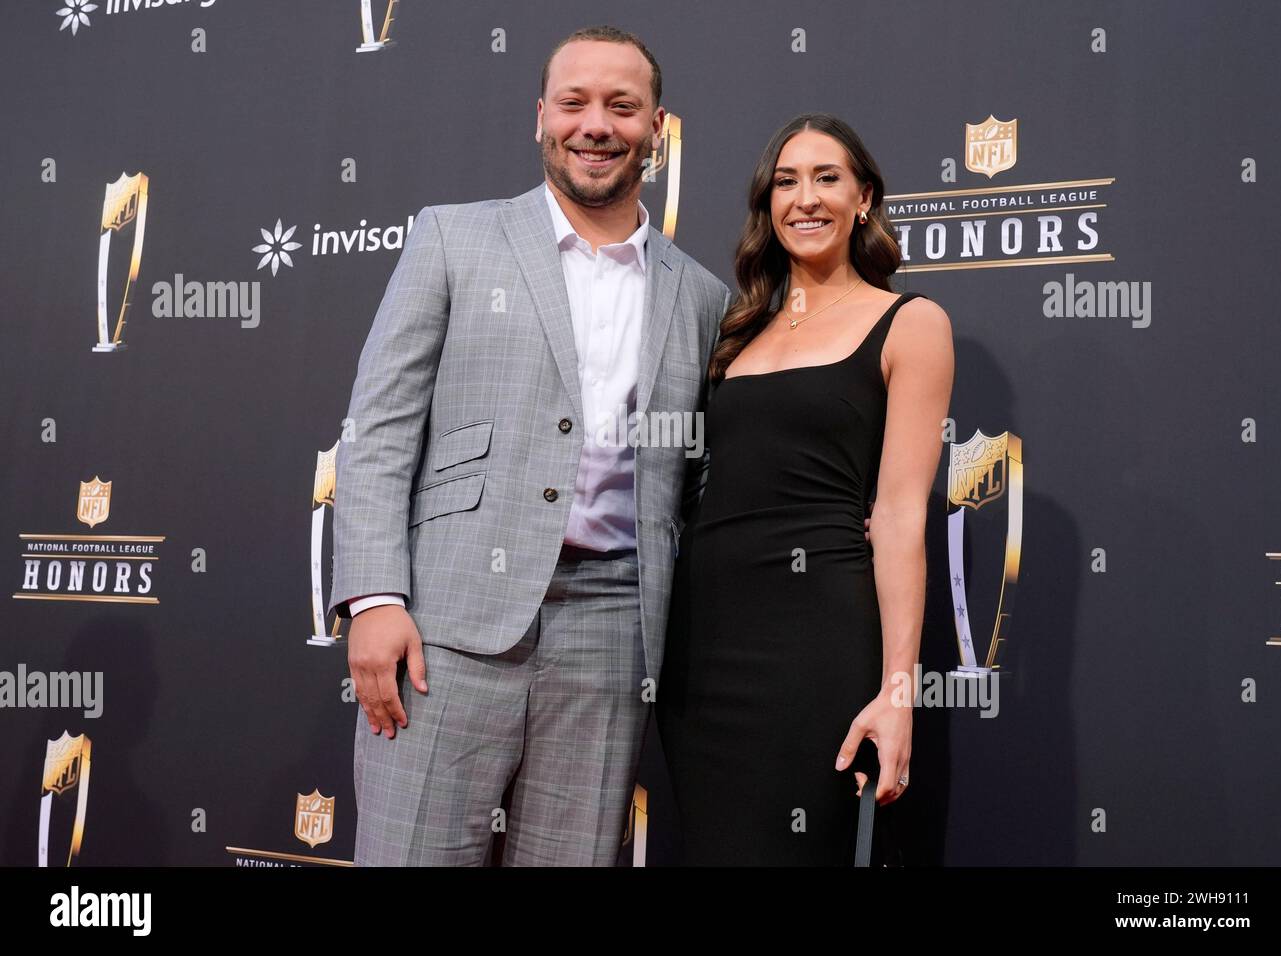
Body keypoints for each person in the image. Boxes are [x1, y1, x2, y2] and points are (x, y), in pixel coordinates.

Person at [328, 26, 731, 866]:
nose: (597, 124)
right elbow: (378, 429)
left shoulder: (699, 296)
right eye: (575, 101)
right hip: (444, 626)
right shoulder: (453, 238)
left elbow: (700, 480)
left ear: (658, 127)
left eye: (623, 106)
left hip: (613, 637)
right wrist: (372, 599)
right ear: (539, 115)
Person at [656, 113, 955, 865]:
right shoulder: (735, 328)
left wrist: (897, 691)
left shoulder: (911, 324)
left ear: (865, 199)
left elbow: (897, 517)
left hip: (815, 642)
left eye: (827, 178)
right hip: (703, 644)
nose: (806, 198)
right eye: (786, 182)